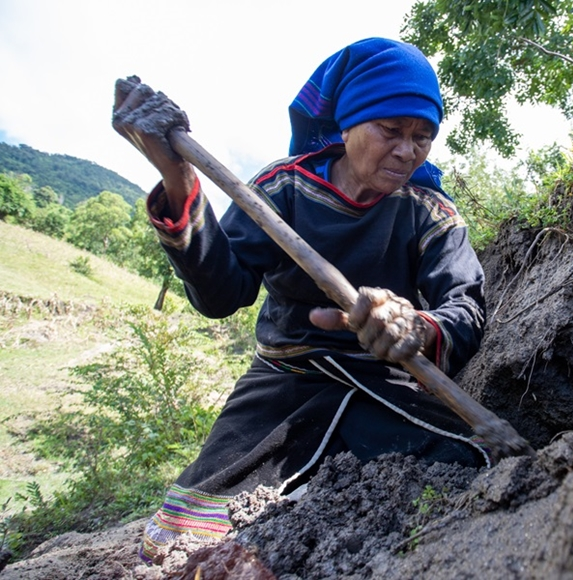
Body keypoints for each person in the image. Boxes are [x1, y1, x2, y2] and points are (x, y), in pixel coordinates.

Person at [112, 37, 488, 562]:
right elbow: (222, 295)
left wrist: (416, 329)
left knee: (470, 469)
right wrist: (177, 179)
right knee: (183, 538)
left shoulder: (428, 210)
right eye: (391, 130)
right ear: (350, 123)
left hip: (382, 384)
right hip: (284, 382)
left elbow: (465, 307)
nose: (408, 150)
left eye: (423, 136)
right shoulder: (283, 188)